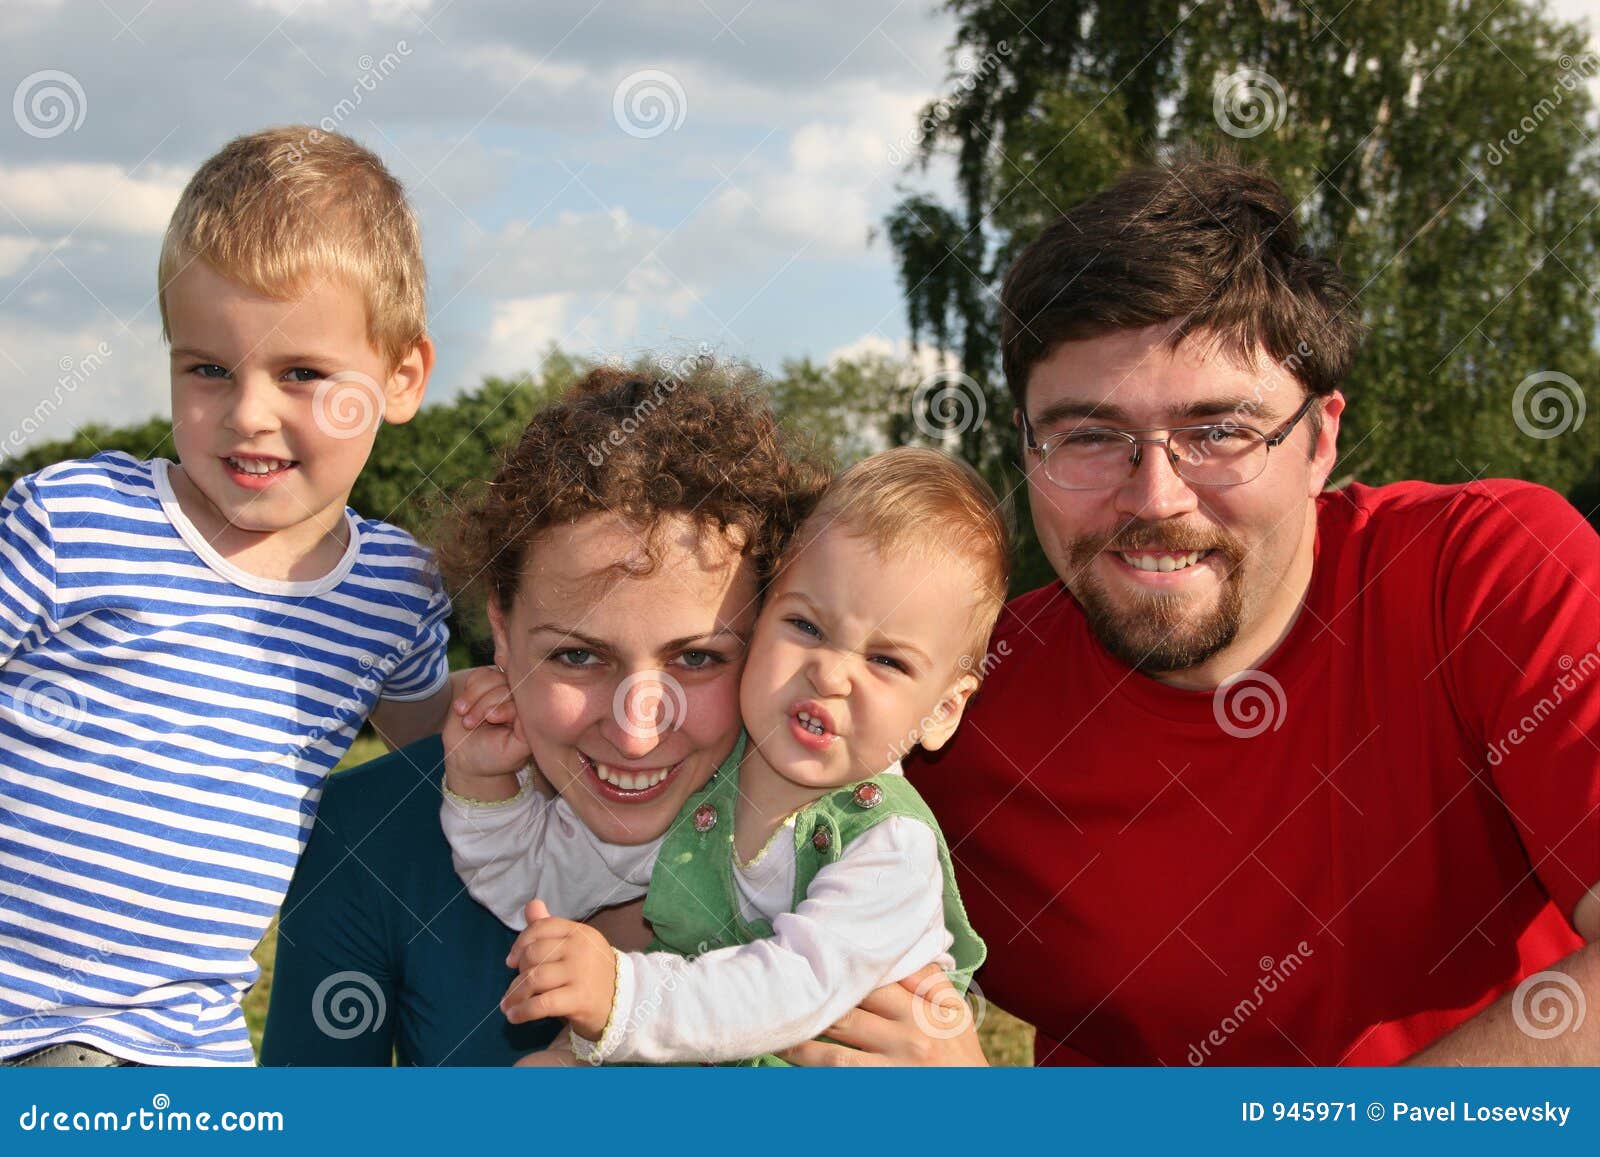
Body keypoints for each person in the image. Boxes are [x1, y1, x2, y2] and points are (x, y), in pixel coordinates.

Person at [911, 153, 1600, 1066]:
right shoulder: (945, 700)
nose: (1155, 496)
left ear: (1321, 439)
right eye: (1089, 436)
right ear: (1028, 453)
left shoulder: (1484, 573)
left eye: (1220, 432)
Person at [0, 126, 469, 1067]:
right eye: (208, 368)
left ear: (403, 376)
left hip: (193, 1047)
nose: (248, 412)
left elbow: (443, 751)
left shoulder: (395, 590)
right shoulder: (77, 517)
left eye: (301, 373)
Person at [264, 360, 855, 1065]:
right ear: (503, 634)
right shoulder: (368, 836)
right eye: (578, 657)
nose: (638, 729)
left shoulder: (843, 851)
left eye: (697, 658)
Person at [444, 448, 1006, 1065]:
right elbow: (533, 880)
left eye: (887, 661)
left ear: (943, 711)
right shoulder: (708, 780)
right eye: (807, 627)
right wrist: (484, 784)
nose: (831, 674)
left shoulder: (888, 844)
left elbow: (792, 989)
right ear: (759, 619)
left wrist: (622, 995)